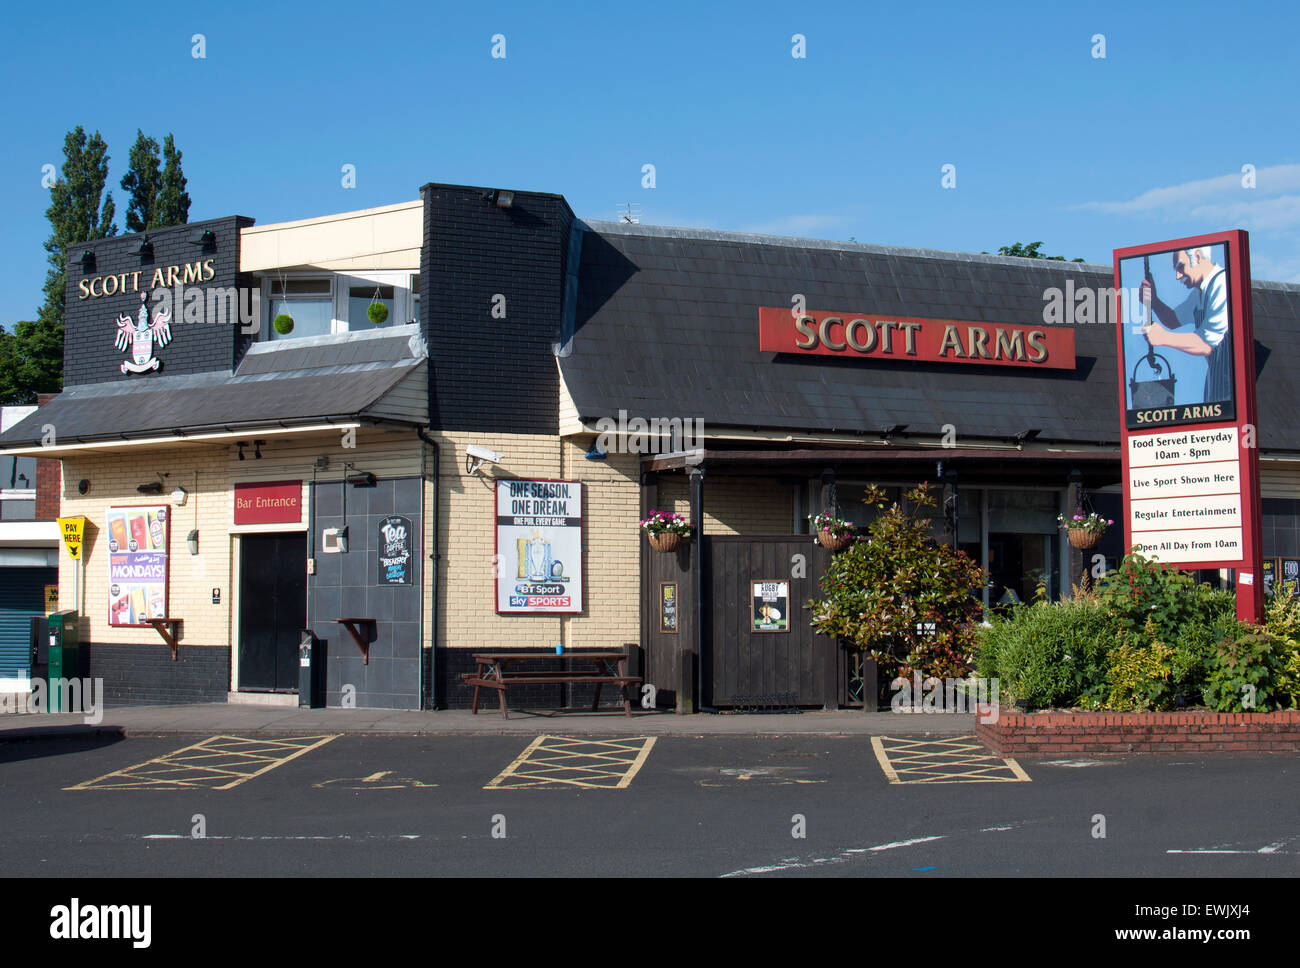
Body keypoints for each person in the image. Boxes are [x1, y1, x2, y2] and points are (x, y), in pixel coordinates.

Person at [1139, 247, 1230, 403]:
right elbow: (1173, 320)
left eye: (1181, 267)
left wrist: (1163, 337)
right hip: (1215, 383)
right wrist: (1154, 301)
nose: (1178, 276)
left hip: (1230, 386)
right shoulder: (1200, 292)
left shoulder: (1222, 285)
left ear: (1198, 256)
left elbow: (1206, 344)